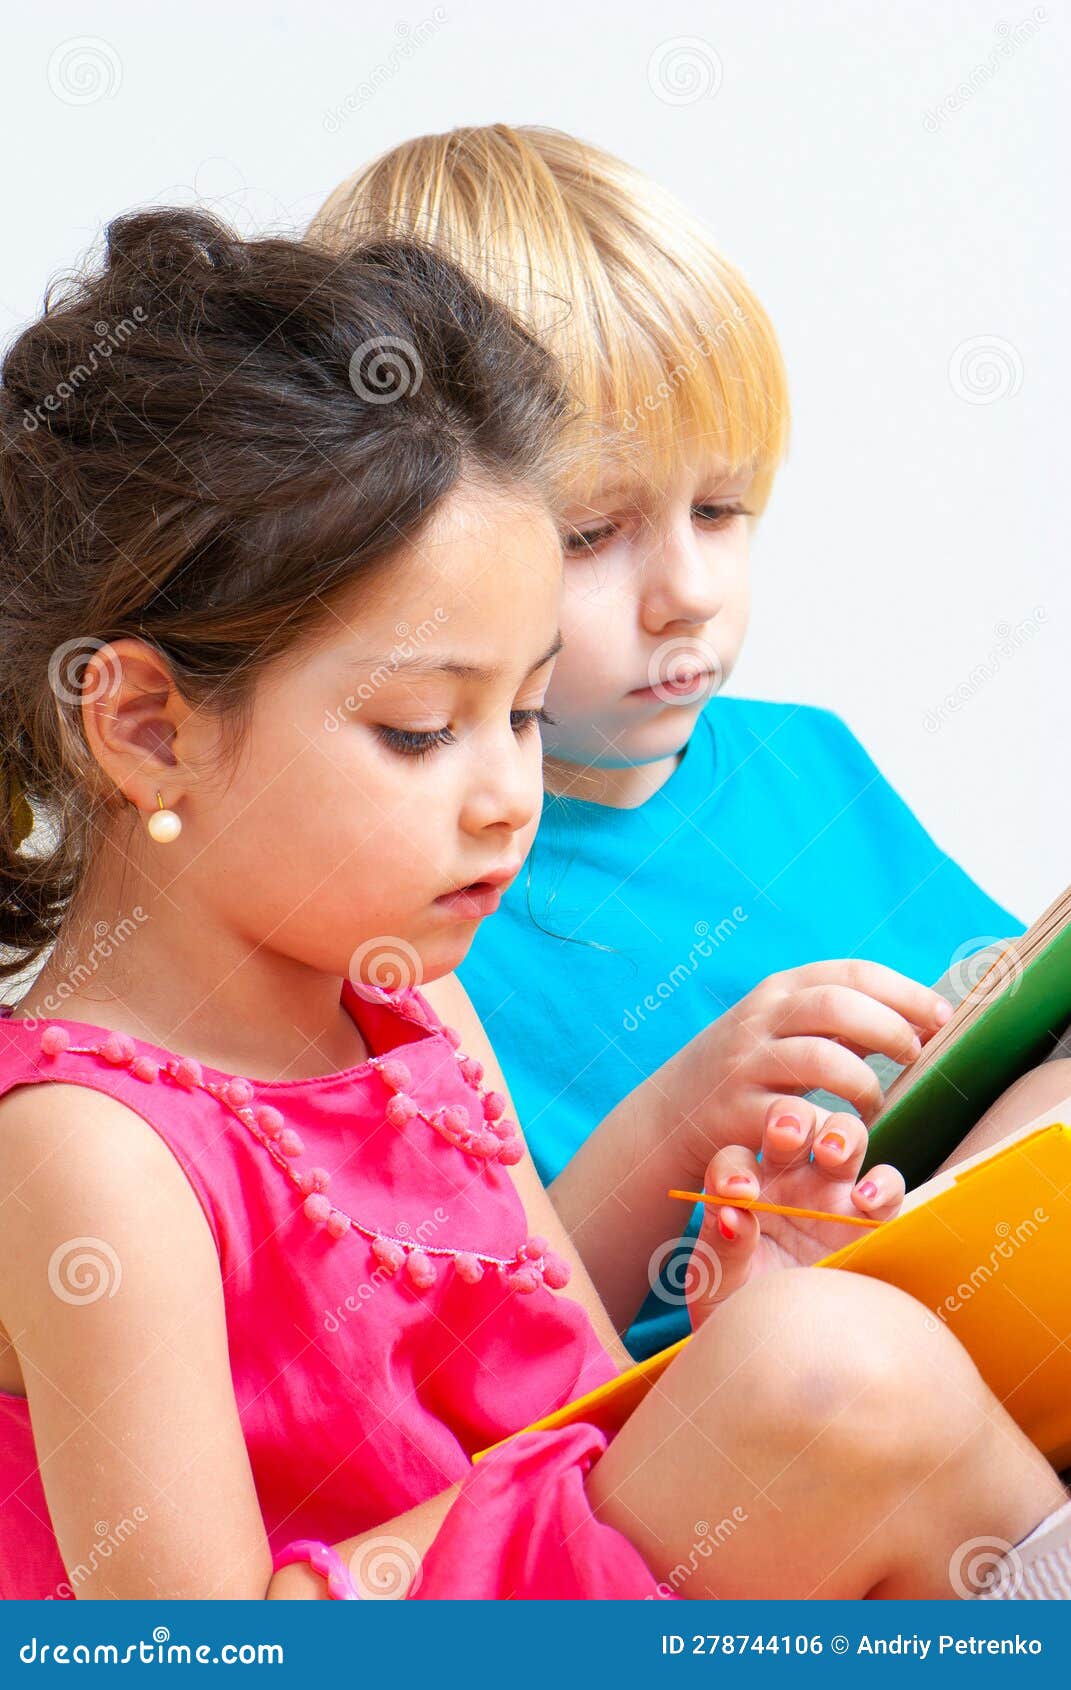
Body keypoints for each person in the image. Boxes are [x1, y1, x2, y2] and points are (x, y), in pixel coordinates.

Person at [0, 209, 1062, 1603]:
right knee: (827, 1374)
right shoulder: (86, 1147)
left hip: (575, 1596)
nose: (510, 795)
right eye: (420, 729)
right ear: (147, 726)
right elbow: (193, 1650)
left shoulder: (411, 998)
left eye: (523, 711)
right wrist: (730, 1411)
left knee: (833, 1355)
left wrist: (720, 1351)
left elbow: (577, 1391)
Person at [308, 125, 1025, 1360]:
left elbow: (1003, 1022)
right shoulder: (407, 906)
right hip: (716, 1398)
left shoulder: (806, 761)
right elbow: (489, 1349)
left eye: (721, 508)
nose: (689, 591)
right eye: (594, 533)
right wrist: (683, 1118)